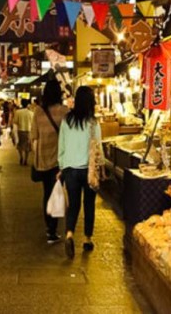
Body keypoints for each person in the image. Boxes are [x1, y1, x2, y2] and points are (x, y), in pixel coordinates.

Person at [58, 85, 101, 258]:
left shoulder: (66, 120)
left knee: (73, 205)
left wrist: (61, 166)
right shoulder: (93, 122)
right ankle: (87, 239)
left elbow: (62, 145)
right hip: (89, 170)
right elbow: (98, 147)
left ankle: (69, 234)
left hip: (70, 170)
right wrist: (102, 165)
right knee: (89, 205)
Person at [30, 80, 68, 244]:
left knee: (47, 193)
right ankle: (53, 229)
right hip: (60, 160)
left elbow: (33, 137)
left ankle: (50, 229)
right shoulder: (65, 112)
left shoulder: (38, 112)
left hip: (43, 160)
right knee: (57, 193)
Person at [13, 98, 34, 165]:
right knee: (27, 146)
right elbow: (33, 123)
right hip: (28, 131)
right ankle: (26, 159)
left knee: (20, 145)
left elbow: (15, 122)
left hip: (20, 131)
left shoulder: (18, 112)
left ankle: (21, 157)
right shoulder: (31, 113)